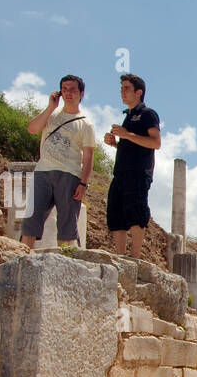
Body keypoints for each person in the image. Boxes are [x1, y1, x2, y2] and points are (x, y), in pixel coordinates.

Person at [22, 75, 94, 249]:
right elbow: (32, 129)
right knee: (30, 222)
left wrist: (83, 184)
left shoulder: (86, 124)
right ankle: (22, 259)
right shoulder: (51, 115)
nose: (68, 93)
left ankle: (66, 263)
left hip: (70, 175)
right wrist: (50, 107)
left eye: (73, 89)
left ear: (81, 93)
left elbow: (88, 156)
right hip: (43, 172)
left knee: (67, 227)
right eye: (65, 89)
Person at [104, 74, 161, 258]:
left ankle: (135, 257)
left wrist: (126, 135)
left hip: (138, 172)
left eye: (126, 88)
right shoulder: (127, 116)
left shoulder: (147, 114)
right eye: (121, 88)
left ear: (139, 92)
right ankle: (120, 257)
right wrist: (116, 143)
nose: (122, 92)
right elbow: (133, 144)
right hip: (120, 172)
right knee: (116, 213)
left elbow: (155, 143)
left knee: (136, 211)